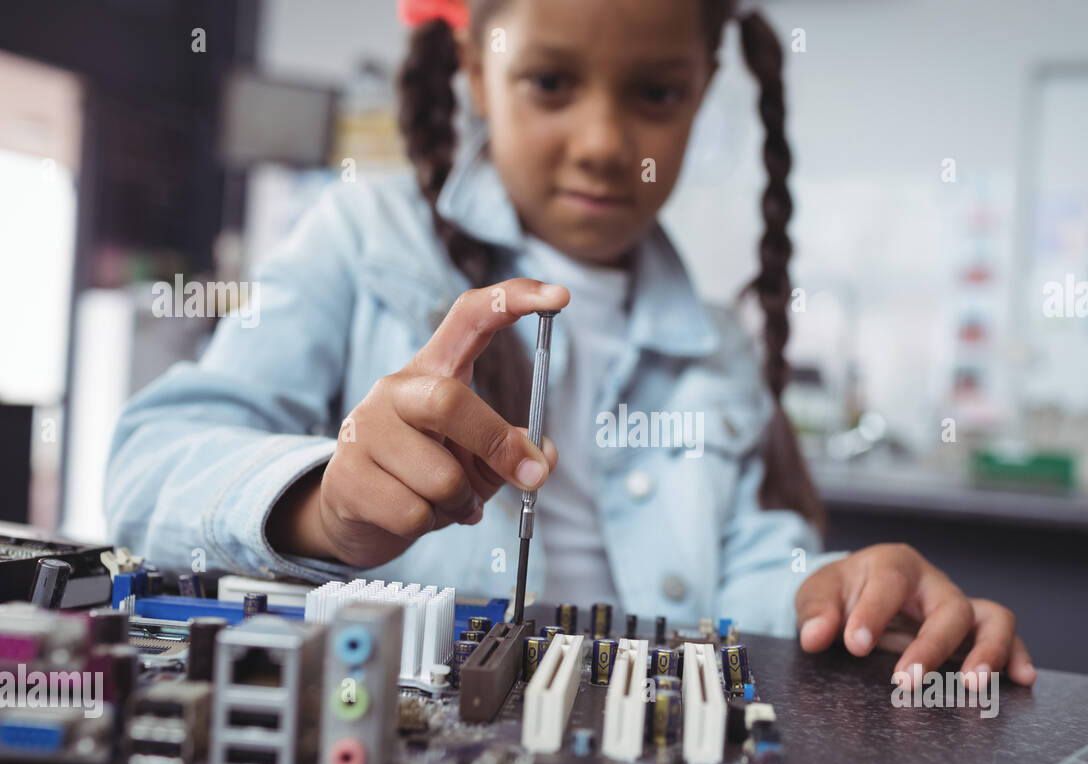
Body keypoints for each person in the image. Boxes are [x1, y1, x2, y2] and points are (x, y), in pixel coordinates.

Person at [105, 0, 1036, 689]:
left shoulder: (713, 348)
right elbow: (150, 471)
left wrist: (842, 595)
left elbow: (761, 579)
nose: (601, 142)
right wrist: (326, 506)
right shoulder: (360, 238)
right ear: (475, 72)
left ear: (702, 93)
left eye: (655, 93)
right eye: (550, 83)